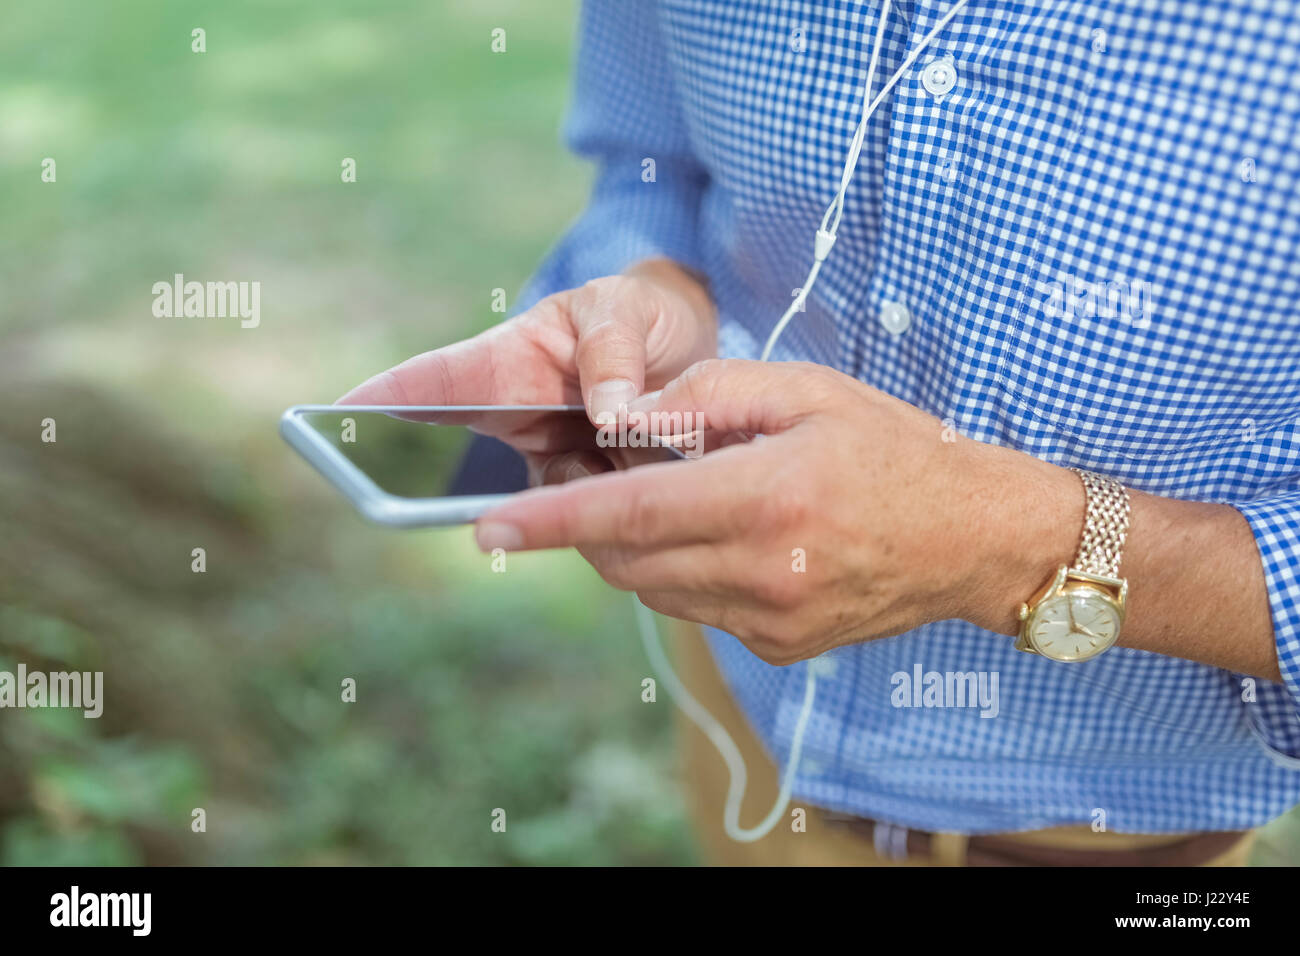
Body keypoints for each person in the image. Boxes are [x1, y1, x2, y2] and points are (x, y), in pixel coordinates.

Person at [341, 0, 1300, 865]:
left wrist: (1004, 548)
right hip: (740, 737)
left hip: (1101, 844)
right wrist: (658, 287)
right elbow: (647, 164)